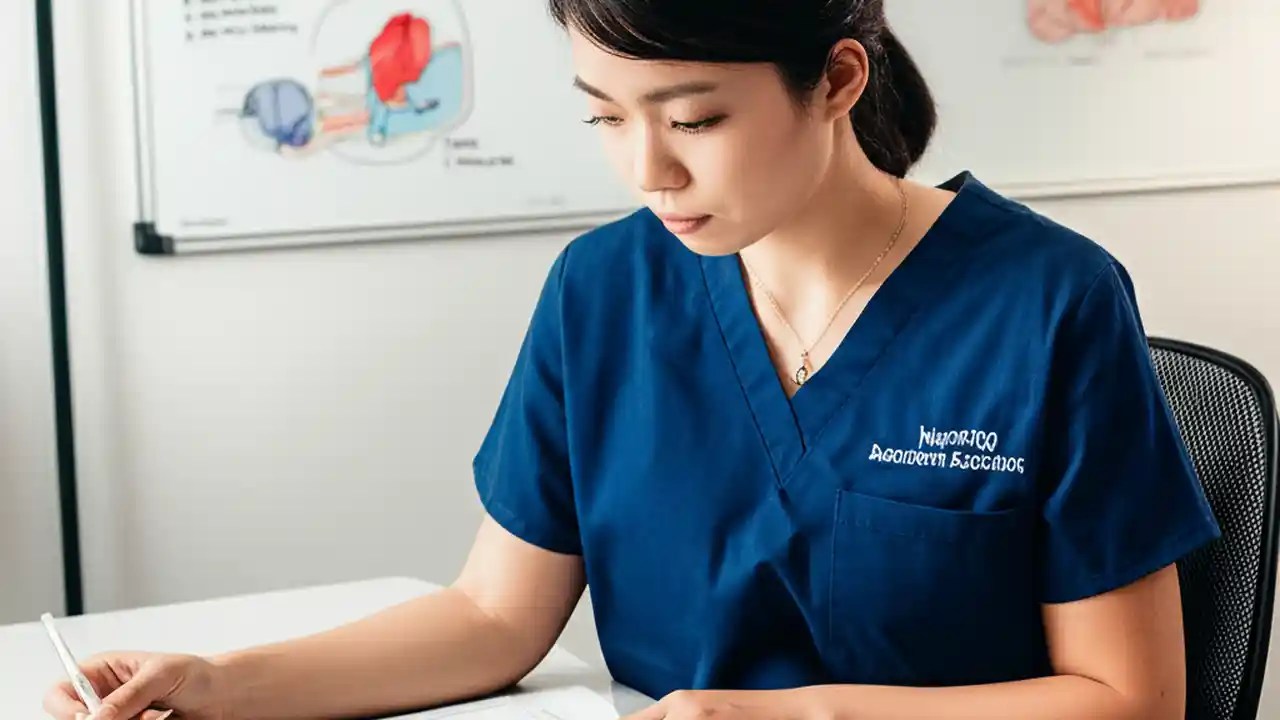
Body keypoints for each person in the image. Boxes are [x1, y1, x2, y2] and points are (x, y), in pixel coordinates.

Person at [44, 0, 1221, 718]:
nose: (644, 170)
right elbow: (491, 621)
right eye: (603, 117)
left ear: (838, 80)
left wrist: (802, 717)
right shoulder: (604, 292)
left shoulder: (1044, 301)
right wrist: (218, 686)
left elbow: (1127, 699)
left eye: (692, 119)